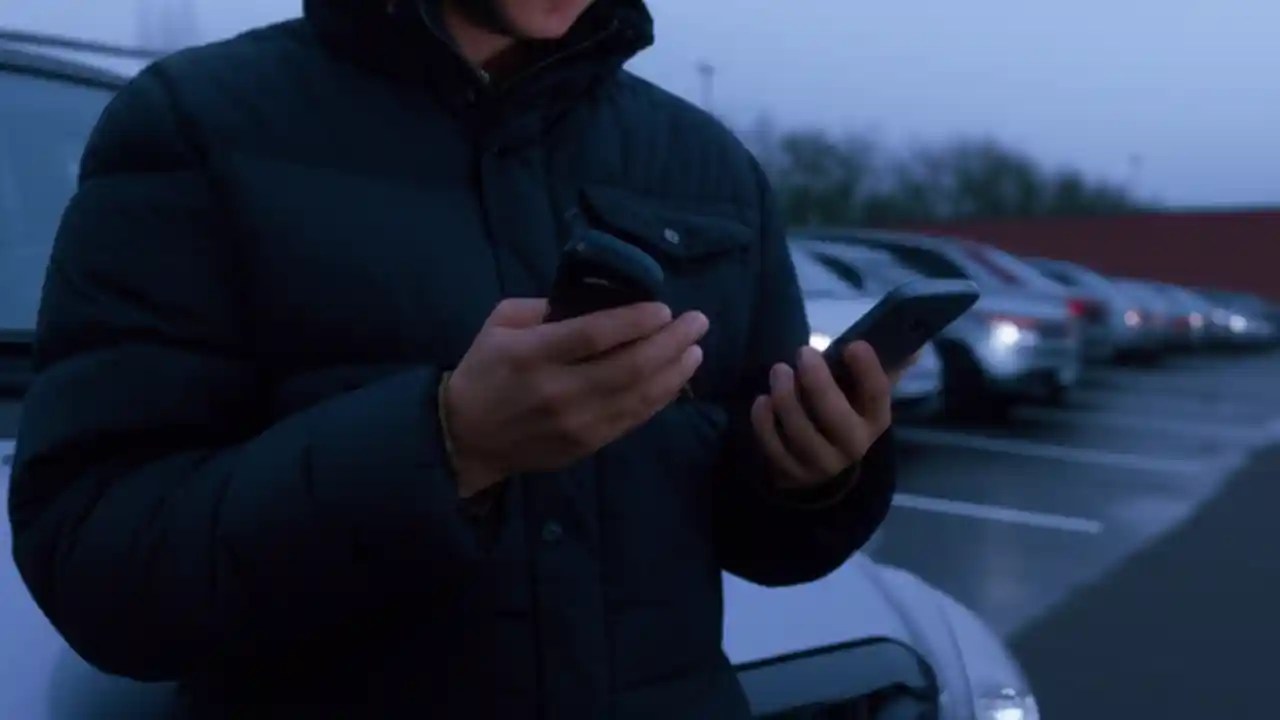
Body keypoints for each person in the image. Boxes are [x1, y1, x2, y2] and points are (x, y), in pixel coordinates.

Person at [8, 0, 905, 717]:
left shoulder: (708, 166)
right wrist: (448, 444)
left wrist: (813, 475)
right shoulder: (197, 126)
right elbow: (100, 568)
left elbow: (761, 541)